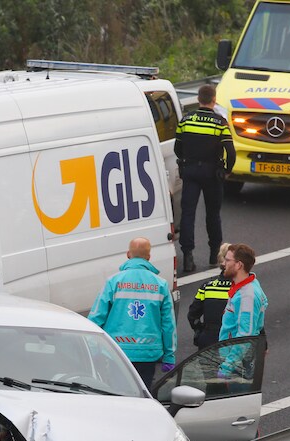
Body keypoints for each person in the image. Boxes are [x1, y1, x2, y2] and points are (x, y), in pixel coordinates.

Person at [88, 237, 176, 388]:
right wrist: (169, 356)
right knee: (143, 392)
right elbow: (168, 324)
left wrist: (93, 349)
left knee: (119, 393)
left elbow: (96, 318)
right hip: (148, 353)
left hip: (117, 352)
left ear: (128, 254)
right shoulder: (160, 284)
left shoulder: (113, 282)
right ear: (149, 257)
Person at [175, 83, 236, 274]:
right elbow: (231, 152)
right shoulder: (220, 122)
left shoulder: (186, 120)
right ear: (214, 100)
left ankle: (188, 257)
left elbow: (178, 148)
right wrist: (226, 170)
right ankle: (214, 255)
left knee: (188, 214)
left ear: (198, 100)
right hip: (212, 173)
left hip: (191, 171)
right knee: (213, 214)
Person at [217, 243, 268, 377]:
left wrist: (227, 367)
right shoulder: (242, 288)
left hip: (236, 367)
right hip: (234, 362)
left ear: (239, 265)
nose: (223, 263)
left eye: (227, 260)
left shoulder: (247, 296)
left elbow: (245, 336)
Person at [187, 242, 232, 349]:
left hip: (208, 340)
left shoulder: (207, 287)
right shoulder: (242, 289)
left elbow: (192, 315)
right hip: (232, 341)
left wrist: (201, 330)